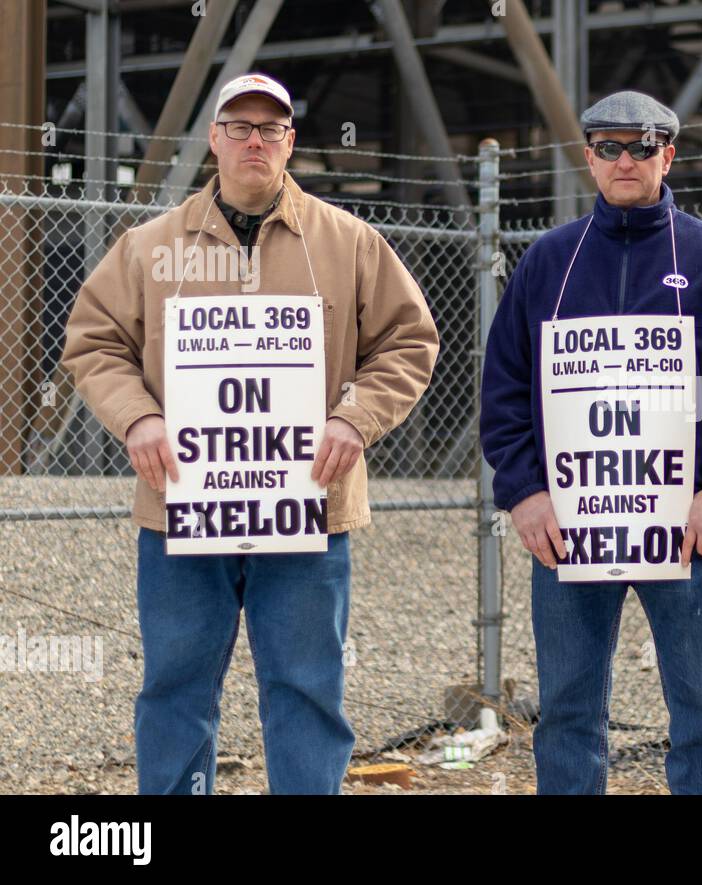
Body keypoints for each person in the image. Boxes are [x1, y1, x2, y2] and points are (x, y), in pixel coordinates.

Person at [62, 73, 440, 794]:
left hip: (307, 509)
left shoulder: (349, 243)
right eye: (240, 127)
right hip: (182, 508)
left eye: (272, 128)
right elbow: (93, 340)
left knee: (304, 688)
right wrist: (138, 416)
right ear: (214, 139)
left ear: (291, 142)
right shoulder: (150, 246)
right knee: (175, 686)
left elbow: (409, 341)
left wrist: (353, 416)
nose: (255, 141)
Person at [479, 90, 702, 794]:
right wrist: (524, 492)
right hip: (567, 526)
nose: (626, 159)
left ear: (667, 155)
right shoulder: (546, 264)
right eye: (609, 146)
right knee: (567, 709)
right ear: (588, 157)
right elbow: (502, 388)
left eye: (642, 146)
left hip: (682, 526)